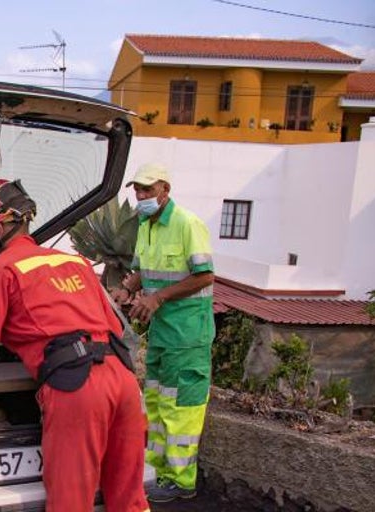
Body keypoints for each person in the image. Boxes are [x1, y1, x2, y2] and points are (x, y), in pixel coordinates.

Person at [0, 179, 150, 512]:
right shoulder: (75, 263)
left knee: (70, 501)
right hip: (123, 381)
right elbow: (112, 327)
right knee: (130, 500)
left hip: (77, 389)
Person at [111, 162, 215, 503]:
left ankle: (181, 481)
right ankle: (160, 473)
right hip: (162, 333)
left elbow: (204, 276)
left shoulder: (187, 223)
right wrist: (128, 288)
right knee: (156, 401)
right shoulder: (146, 224)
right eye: (137, 190)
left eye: (147, 190)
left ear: (164, 190)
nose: (141, 196)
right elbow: (142, 269)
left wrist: (157, 298)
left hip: (187, 333)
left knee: (180, 408)